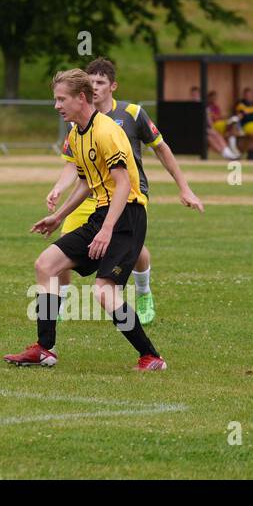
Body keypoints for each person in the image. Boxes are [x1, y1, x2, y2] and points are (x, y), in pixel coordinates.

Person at [8, 69, 165, 372]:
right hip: (102, 214)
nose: (56, 106)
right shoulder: (76, 134)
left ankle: (151, 357)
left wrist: (107, 231)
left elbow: (124, 185)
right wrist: (58, 216)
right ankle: (45, 349)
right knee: (46, 265)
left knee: (104, 292)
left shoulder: (106, 131)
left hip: (126, 216)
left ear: (81, 98)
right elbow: (85, 182)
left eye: (61, 99)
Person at [44, 58, 204, 326]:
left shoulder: (132, 113)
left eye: (100, 82)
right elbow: (76, 166)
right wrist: (59, 188)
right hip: (90, 194)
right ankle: (56, 307)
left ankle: (143, 292)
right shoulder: (77, 122)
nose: (95, 87)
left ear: (112, 86)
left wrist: (184, 188)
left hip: (127, 193)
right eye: (91, 81)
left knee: (134, 249)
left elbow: (161, 148)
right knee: (63, 247)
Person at [206, 90, 238, 159]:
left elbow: (218, 116)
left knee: (231, 129)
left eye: (215, 97)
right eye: (212, 97)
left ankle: (230, 151)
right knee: (210, 136)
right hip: (215, 125)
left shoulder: (216, 106)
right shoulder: (207, 107)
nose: (214, 99)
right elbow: (213, 118)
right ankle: (226, 153)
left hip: (216, 126)